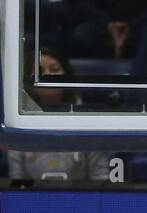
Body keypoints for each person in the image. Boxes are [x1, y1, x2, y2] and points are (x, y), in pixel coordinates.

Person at [9, 49, 113, 183]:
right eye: (40, 71)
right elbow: (17, 181)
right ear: (28, 80)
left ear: (66, 75)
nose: (47, 75)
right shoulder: (19, 122)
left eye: (54, 69)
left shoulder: (87, 120)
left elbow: (100, 177)